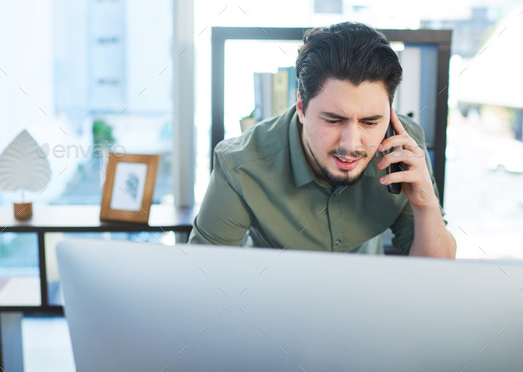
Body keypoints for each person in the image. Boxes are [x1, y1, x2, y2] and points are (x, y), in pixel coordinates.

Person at [189, 22, 456, 257]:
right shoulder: (239, 165)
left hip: (368, 303)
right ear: (301, 109)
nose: (351, 145)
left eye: (370, 122)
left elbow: (437, 275)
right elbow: (203, 281)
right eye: (333, 120)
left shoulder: (404, 148)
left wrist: (425, 203)